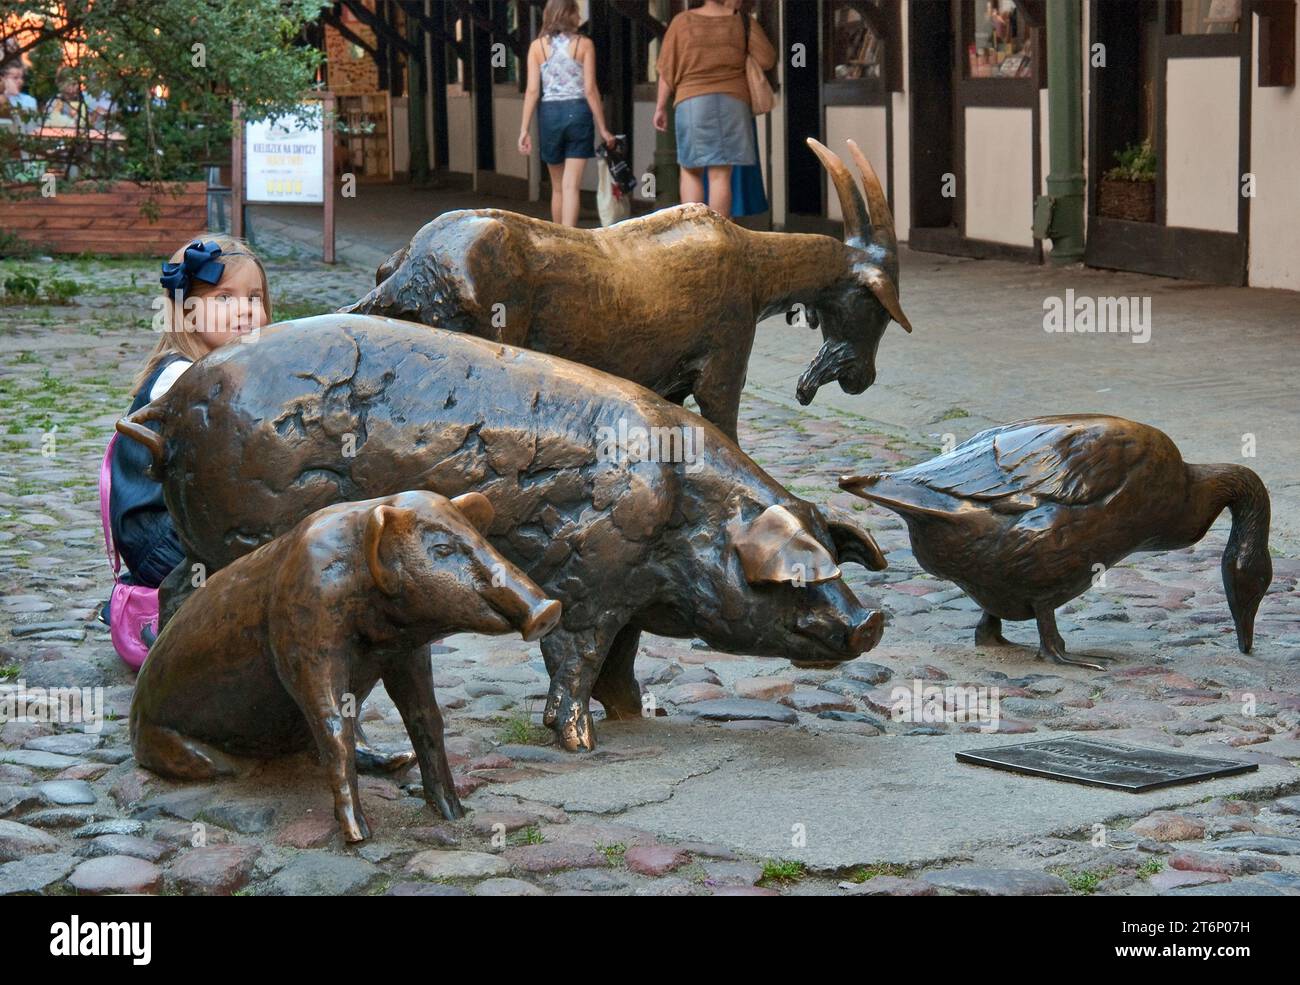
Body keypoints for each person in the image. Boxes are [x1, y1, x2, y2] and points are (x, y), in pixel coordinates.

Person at [109, 235, 271, 589]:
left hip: (190, 526)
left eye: (254, 298)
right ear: (187, 310)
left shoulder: (222, 371)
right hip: (162, 540)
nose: (245, 310)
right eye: (224, 298)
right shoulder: (181, 378)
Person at [654, 0, 775, 219]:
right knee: (721, 176)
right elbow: (767, 59)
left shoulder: (682, 22)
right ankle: (719, 239)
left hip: (692, 102)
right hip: (733, 103)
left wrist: (660, 106)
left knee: (691, 171)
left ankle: (695, 236)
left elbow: (666, 70)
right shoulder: (742, 21)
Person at [518, 0, 615, 226]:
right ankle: (569, 238)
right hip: (578, 113)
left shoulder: (537, 47)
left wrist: (524, 129)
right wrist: (603, 128)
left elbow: (532, 91)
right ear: (569, 14)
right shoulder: (584, 44)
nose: (579, 17)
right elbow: (590, 89)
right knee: (572, 186)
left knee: (558, 187)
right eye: (576, 12)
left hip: (550, 115)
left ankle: (557, 239)